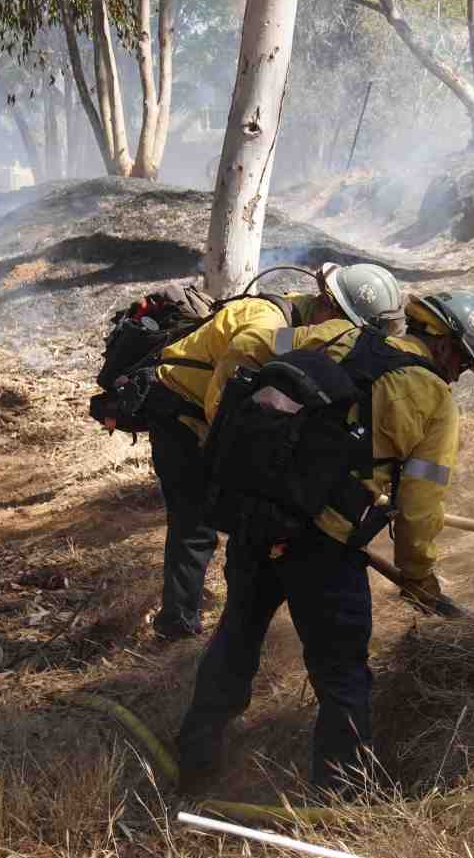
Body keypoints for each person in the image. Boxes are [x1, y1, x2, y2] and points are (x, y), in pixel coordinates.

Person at [174, 289, 474, 798]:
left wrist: (221, 416)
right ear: (447, 347)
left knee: (235, 640)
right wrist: (417, 575)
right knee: (343, 675)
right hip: (323, 550)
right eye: (465, 362)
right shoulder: (434, 400)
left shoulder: (336, 334)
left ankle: (193, 764)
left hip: (256, 521)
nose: (461, 374)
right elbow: (419, 508)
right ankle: (339, 799)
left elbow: (249, 344)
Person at [144, 263, 407, 642]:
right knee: (195, 520)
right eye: (346, 323)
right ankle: (176, 626)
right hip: (179, 407)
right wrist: (230, 444)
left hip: (208, 407)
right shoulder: (267, 324)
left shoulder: (307, 328)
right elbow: (236, 373)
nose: (347, 336)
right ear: (327, 304)